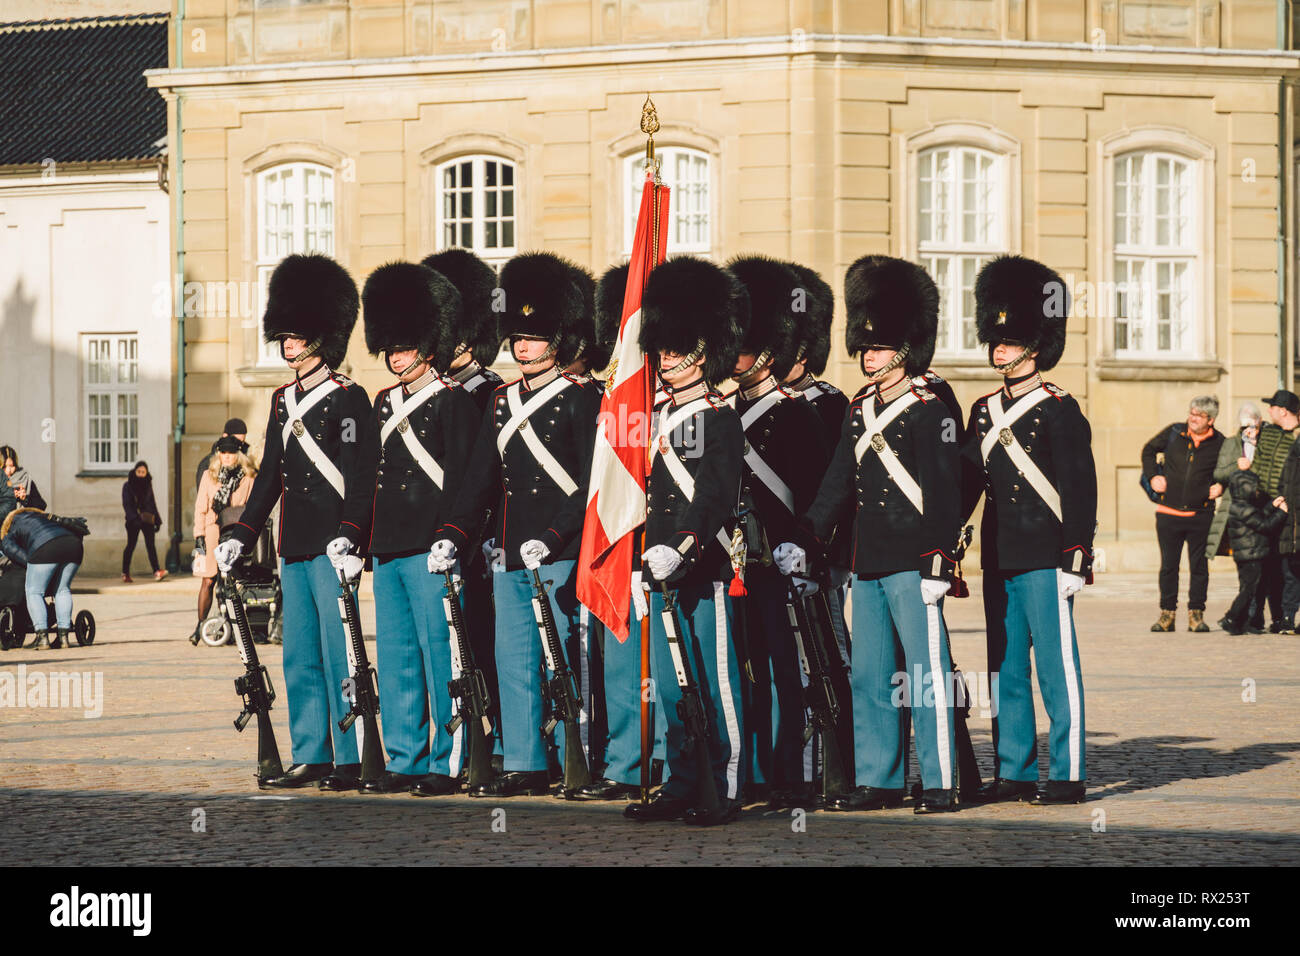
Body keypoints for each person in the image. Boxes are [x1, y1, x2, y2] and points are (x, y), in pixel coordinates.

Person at [777, 255, 960, 815]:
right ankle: (879, 780)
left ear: (903, 350)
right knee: (872, 677)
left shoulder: (928, 409)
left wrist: (938, 560)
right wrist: (806, 536)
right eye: (864, 347)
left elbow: (945, 493)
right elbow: (838, 483)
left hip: (914, 561)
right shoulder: (859, 410)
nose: (868, 356)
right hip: (871, 560)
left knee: (927, 678)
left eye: (878, 349)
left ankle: (940, 781)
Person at [429, 252, 600, 798]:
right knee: (515, 661)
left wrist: (553, 538)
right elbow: (480, 479)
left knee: (566, 661)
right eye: (517, 337)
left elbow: (589, 483)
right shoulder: (502, 401)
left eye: (534, 336)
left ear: (557, 341)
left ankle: (575, 754)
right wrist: (452, 533)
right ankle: (526, 760)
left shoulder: (579, 399)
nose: (522, 346)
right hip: (508, 551)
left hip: (560, 550)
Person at [214, 253, 370, 792]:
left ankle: (350, 754)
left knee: (338, 652)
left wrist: (352, 536)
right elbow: (270, 479)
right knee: (300, 656)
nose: (287, 347)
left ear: (321, 340)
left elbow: (359, 476)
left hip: (333, 547)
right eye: (283, 337)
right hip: (295, 546)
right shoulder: (282, 402)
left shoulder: (350, 399)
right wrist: (242, 533)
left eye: (296, 337)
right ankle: (312, 751)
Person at [329, 261, 480, 795]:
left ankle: (448, 758)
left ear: (429, 346)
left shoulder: (454, 400)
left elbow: (464, 479)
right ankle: (406, 758)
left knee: (443, 654)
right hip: (389, 546)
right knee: (397, 659)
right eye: (389, 348)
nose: (395, 357)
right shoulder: (382, 402)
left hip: (431, 545)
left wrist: (453, 535)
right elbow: (369, 474)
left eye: (404, 346)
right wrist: (352, 532)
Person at [960, 254, 1095, 806]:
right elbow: (968, 484)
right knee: (1005, 669)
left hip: (1045, 553)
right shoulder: (984, 410)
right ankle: (1013, 770)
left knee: (1056, 671)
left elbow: (1080, 488)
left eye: (1010, 342)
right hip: (999, 553)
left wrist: (1077, 554)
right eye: (996, 340)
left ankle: (1067, 773)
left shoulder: (1060, 408)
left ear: (1034, 346)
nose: (999, 350)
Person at [622, 255, 748, 826]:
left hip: (701, 565)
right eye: (663, 351)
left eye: (677, 352)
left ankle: (723, 785)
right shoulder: (650, 414)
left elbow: (716, 493)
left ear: (703, 352)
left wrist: (684, 545)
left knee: (712, 681)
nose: (667, 361)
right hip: (655, 563)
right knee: (672, 685)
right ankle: (680, 781)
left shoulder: (719, 415)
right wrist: (641, 553)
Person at [727, 254, 830, 807]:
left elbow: (816, 491)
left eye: (742, 348)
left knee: (791, 673)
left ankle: (794, 774)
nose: (733, 357)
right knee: (746, 671)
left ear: (766, 354)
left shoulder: (793, 411)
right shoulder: (722, 412)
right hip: (737, 563)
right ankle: (755, 772)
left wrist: (808, 550)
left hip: (782, 558)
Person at [1141, 396, 1225, 633]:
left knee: (1199, 567)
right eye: (1191, 413)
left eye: (1198, 415)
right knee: (1169, 566)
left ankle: (1196, 614)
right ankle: (1167, 614)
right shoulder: (1174, 432)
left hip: (1201, 515)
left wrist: (1222, 486)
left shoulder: (1221, 443)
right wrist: (1152, 476)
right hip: (1168, 513)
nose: (1192, 418)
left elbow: (1230, 470)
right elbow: (1148, 450)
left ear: (1211, 419)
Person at [189, 437, 257, 644]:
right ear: (218, 454)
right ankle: (200, 626)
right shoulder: (209, 476)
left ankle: (235, 625)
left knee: (233, 581)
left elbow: (252, 507)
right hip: (211, 531)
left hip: (235, 531)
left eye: (231, 453)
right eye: (224, 453)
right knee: (208, 579)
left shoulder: (248, 477)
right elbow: (201, 507)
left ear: (238, 454)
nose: (227, 457)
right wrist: (198, 536)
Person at [1208, 404, 1263, 629]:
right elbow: (1219, 472)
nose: (1248, 430)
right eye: (1244, 425)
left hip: (1260, 510)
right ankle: (1245, 616)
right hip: (1236, 514)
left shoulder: (1264, 444)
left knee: (1259, 567)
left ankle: (1250, 615)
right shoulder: (1231, 444)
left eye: (1252, 425)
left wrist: (1254, 463)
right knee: (1246, 567)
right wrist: (1237, 467)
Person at [1251, 389, 1300, 632]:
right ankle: (1261, 617)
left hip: (1290, 511)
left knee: (1289, 567)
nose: (1268, 411)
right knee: (1265, 566)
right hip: (1266, 509)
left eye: (1271, 407)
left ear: (1282, 410)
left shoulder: (1297, 438)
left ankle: (1286, 617)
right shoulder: (1266, 433)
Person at [0, 505, 82, 650]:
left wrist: (31, 564)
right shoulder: (45, 519)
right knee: (62, 590)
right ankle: (64, 638)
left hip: (45, 547)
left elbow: (10, 549)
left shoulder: (10, 526)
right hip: (73, 545)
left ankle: (42, 638)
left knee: (34, 591)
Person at [1218, 470, 1286, 635]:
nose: (1257, 491)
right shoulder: (1244, 509)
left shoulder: (1240, 507)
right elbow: (1265, 525)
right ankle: (1231, 617)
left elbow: (1259, 516)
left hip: (1246, 554)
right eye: (1255, 488)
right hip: (1252, 554)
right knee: (1249, 589)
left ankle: (1239, 623)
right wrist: (1282, 513)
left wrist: (1271, 506)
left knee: (1249, 588)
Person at [121, 461, 166, 583]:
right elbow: (127, 504)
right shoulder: (128, 485)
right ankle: (125, 572)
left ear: (146, 473)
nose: (141, 474)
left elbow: (152, 503)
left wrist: (157, 520)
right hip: (133, 521)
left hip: (147, 519)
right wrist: (133, 518)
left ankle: (157, 571)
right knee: (131, 545)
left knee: (151, 546)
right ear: (135, 472)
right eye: (139, 472)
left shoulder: (147, 485)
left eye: (143, 472)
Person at [195, 419, 249, 491]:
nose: (238, 446)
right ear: (225, 436)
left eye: (241, 442)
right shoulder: (207, 465)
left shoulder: (247, 464)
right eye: (236, 440)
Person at [1, 446, 48, 519]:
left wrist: (25, 499)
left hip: (20, 525)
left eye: (11, 466)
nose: (8, 471)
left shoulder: (24, 479)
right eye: (4, 467)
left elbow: (41, 506)